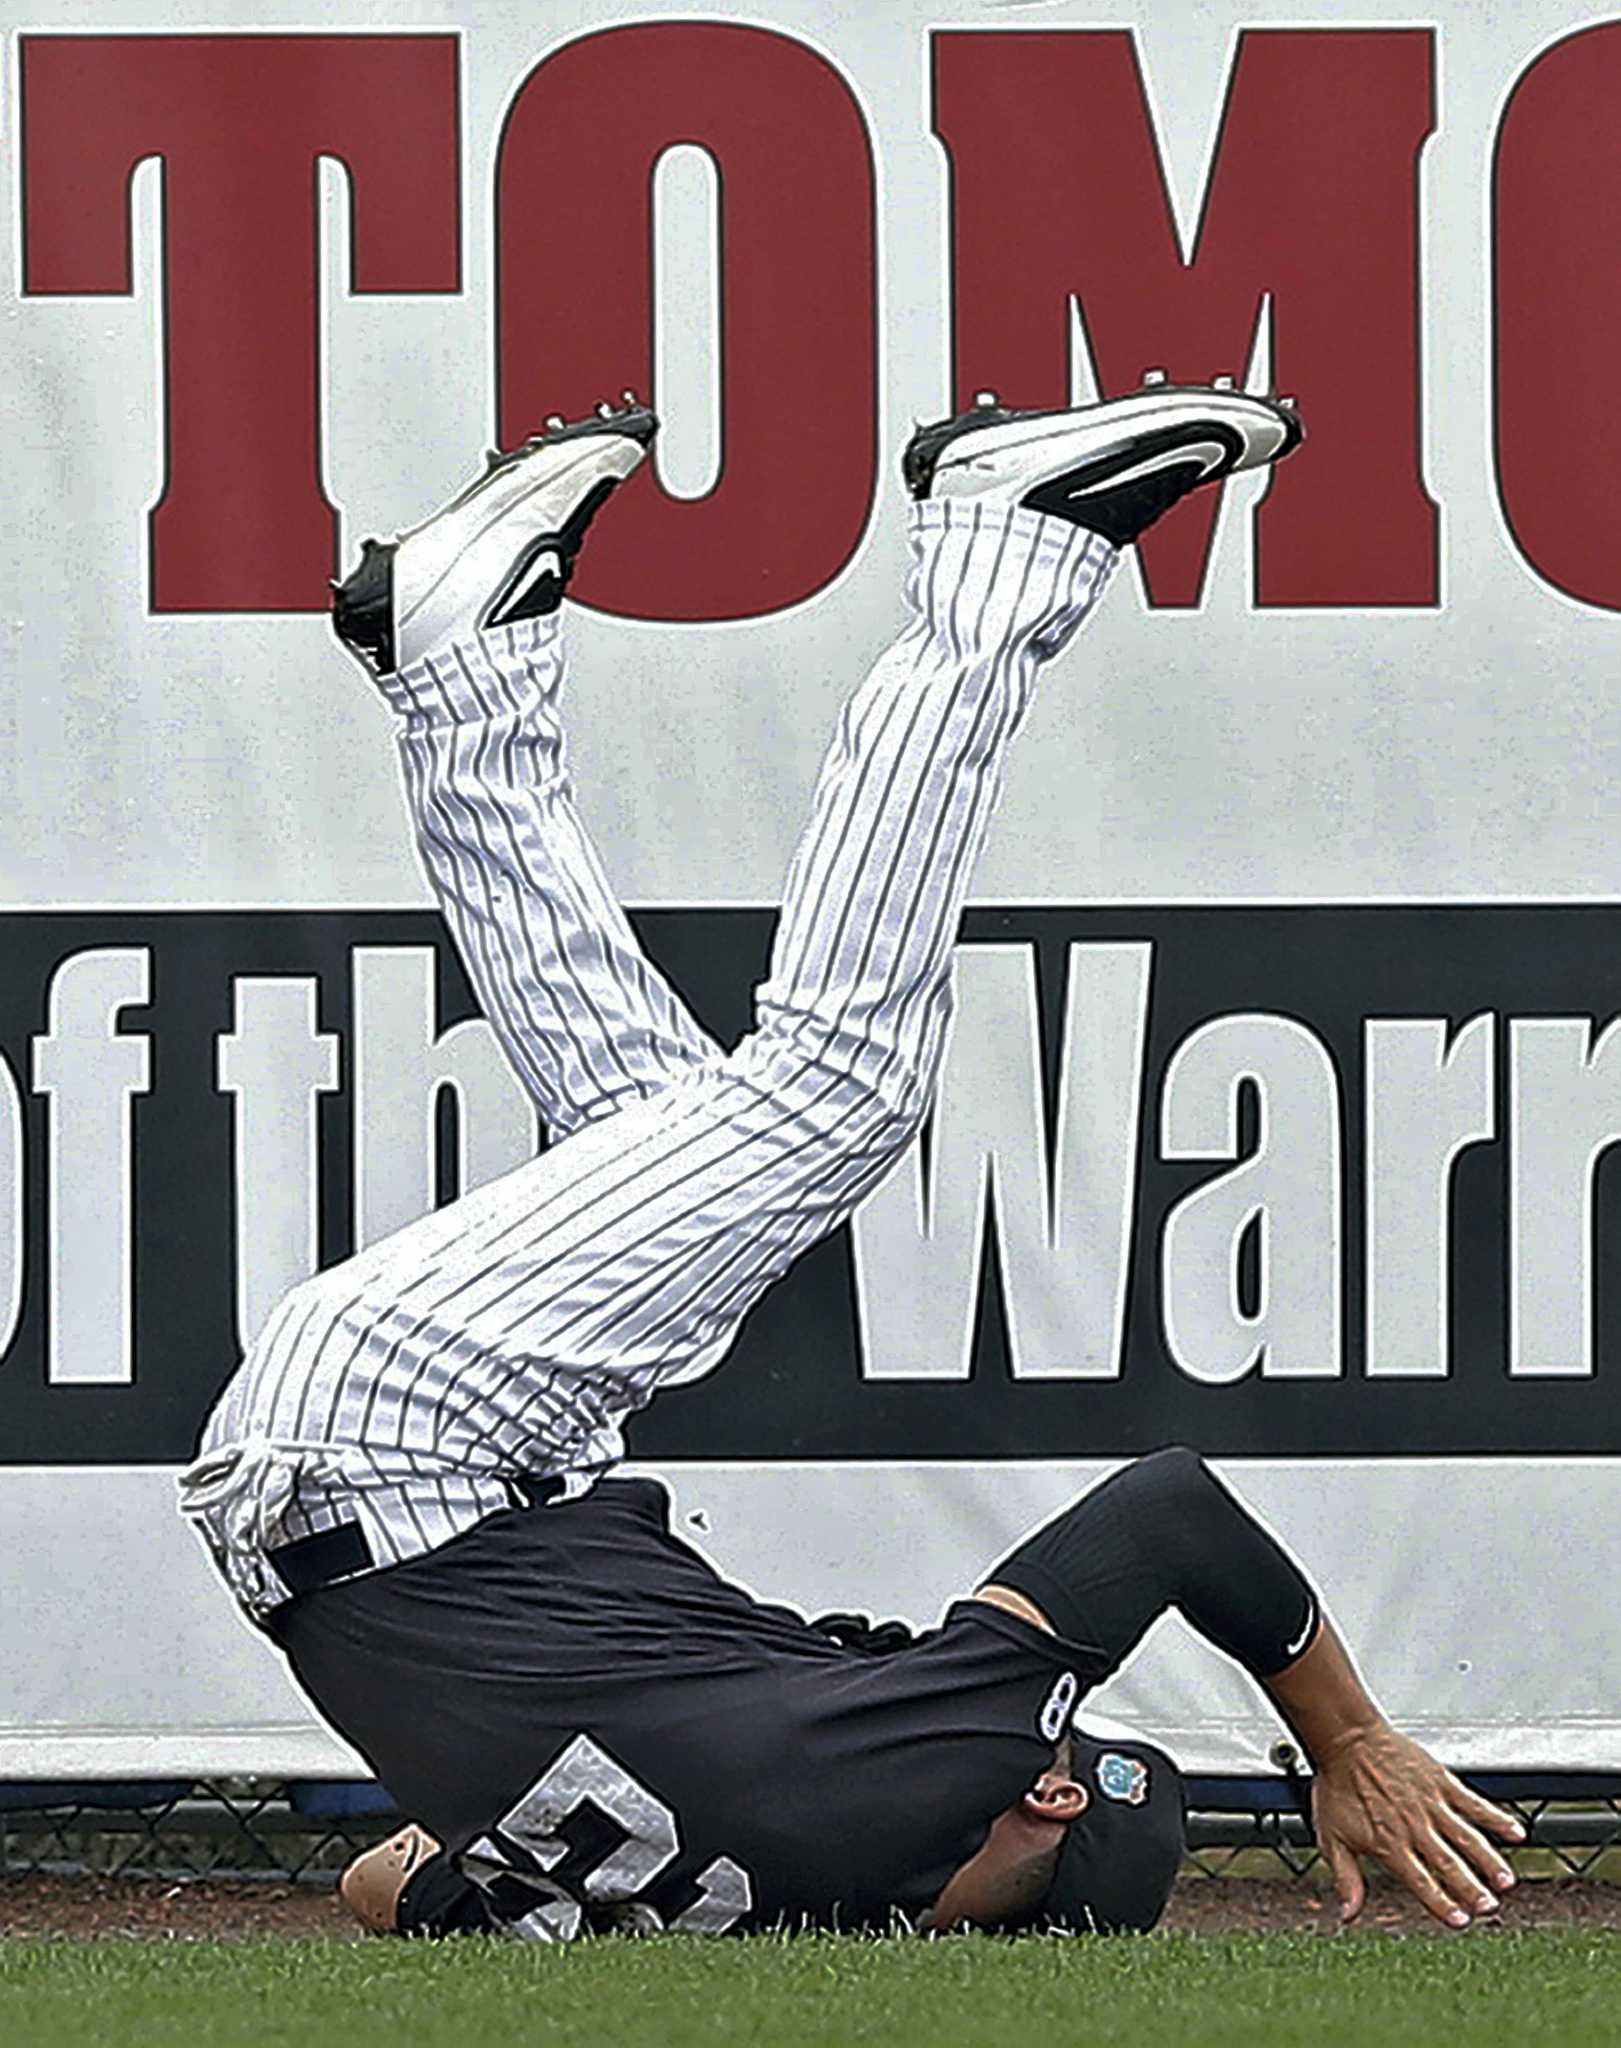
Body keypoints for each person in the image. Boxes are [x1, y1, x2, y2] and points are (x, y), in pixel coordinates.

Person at [180, 380, 1524, 1940]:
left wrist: (1343, 1740)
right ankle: (462, 670)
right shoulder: (737, 1907)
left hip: (414, 1432)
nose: (1044, 1748)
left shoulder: (931, 1779)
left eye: (1062, 1752)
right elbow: (379, 1884)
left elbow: (1166, 1514)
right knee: (653, 1117)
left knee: (841, 1083)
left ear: (1051, 1797)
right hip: (370, 1494)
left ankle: (1001, 549)